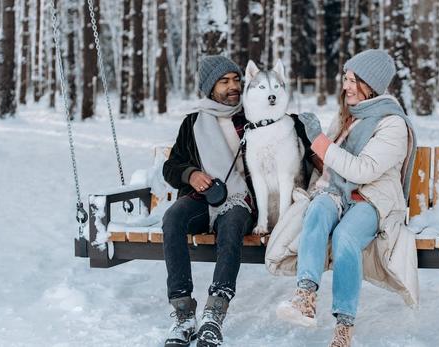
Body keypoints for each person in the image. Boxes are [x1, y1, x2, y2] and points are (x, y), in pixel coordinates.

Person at [273, 49, 419, 347]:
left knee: (345, 237)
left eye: (353, 80)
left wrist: (321, 141)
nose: (346, 86)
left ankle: (344, 326)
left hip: (371, 199)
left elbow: (363, 170)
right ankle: (305, 297)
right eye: (346, 78)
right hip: (336, 192)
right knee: (317, 210)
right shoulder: (348, 116)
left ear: (372, 84)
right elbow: (328, 162)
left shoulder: (393, 124)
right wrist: (306, 142)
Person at [161, 55, 254, 347]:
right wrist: (191, 175)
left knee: (234, 220)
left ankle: (214, 313)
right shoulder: (193, 123)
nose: (233, 87)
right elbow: (171, 166)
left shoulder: (253, 117)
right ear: (210, 87)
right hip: (202, 197)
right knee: (173, 218)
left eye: (236, 79)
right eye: (224, 81)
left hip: (242, 200)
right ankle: (183, 313)